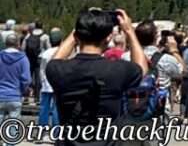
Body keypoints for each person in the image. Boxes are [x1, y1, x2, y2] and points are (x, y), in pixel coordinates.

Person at [45, 9, 148, 146]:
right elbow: (142, 68)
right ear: (108, 38)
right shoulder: (118, 70)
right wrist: (129, 31)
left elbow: (55, 60)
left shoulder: (59, 70)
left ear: (77, 36)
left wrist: (76, 31)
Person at [0, 31, 30, 125]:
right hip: (15, 95)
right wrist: (22, 91)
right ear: (18, 44)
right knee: (13, 126)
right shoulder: (23, 59)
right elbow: (26, 79)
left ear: (5, 44)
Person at [37, 29, 64, 128]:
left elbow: (42, 70)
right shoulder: (63, 52)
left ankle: (41, 130)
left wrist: (42, 81)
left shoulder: (45, 54)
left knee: (44, 108)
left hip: (46, 84)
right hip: (58, 84)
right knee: (56, 108)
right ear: (61, 40)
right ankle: (56, 132)